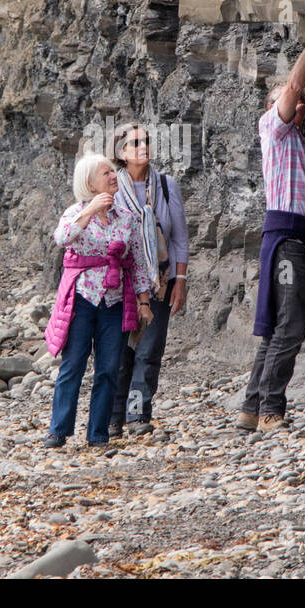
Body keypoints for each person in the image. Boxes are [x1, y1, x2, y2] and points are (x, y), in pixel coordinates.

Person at [240, 49, 305, 432]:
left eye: (303, 103)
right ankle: (271, 410)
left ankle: (252, 408)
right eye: (290, 100)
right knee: (290, 328)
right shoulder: (274, 129)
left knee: (279, 327)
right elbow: (296, 84)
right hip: (288, 242)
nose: (298, 104)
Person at [42, 153, 154, 448]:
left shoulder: (127, 218)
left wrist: (144, 302)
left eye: (113, 172)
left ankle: (98, 434)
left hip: (115, 301)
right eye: (106, 173)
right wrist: (89, 210)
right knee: (73, 364)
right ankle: (58, 430)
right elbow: (61, 238)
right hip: (81, 299)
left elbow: (138, 262)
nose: (114, 176)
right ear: (90, 183)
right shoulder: (75, 212)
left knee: (109, 368)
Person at [107, 121, 189, 438]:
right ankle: (114, 417)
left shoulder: (167, 186)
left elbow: (180, 238)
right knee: (120, 351)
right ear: (121, 152)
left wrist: (180, 280)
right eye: (135, 143)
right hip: (123, 285)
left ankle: (139, 414)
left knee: (149, 349)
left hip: (160, 282)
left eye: (147, 141)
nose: (144, 147)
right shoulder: (112, 188)